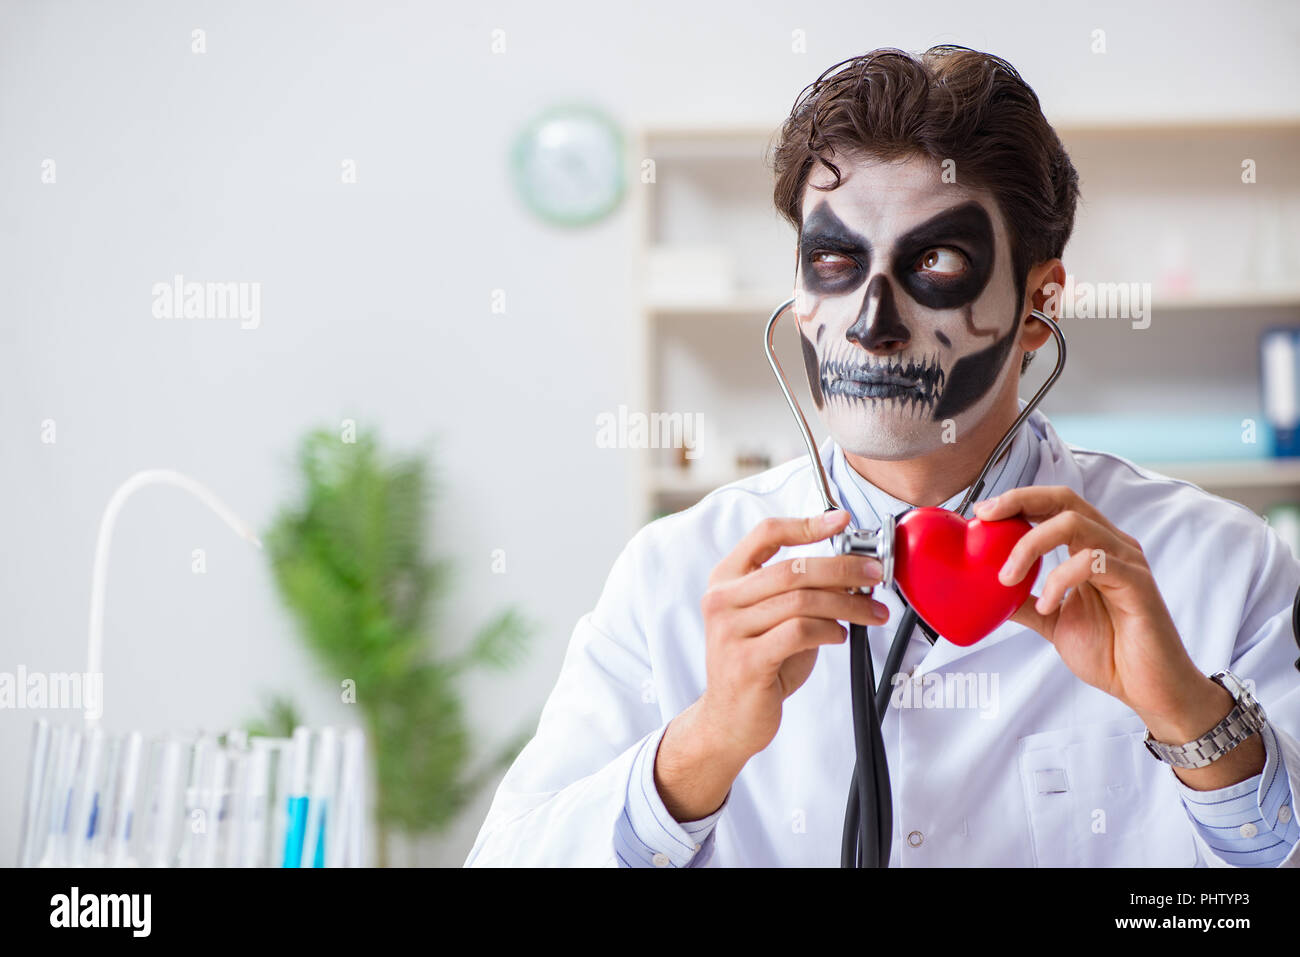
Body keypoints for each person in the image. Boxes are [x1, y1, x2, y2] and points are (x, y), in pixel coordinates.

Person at [465, 45, 1300, 867]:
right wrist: (703, 743)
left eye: (936, 260)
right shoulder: (673, 574)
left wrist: (1196, 722)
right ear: (798, 299)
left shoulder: (1219, 563)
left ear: (1040, 307)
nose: (871, 322)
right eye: (834, 260)